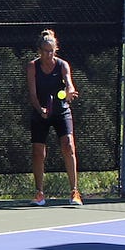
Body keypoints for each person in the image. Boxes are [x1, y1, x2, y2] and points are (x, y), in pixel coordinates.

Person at [25, 28, 81, 206]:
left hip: (61, 111)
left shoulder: (62, 65)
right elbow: (32, 94)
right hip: (40, 111)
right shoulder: (32, 66)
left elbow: (69, 84)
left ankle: (74, 192)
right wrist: (40, 109)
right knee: (38, 152)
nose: (48, 54)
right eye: (45, 51)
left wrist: (70, 91)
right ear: (39, 51)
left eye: (51, 51)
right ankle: (39, 193)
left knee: (68, 146)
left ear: (55, 50)